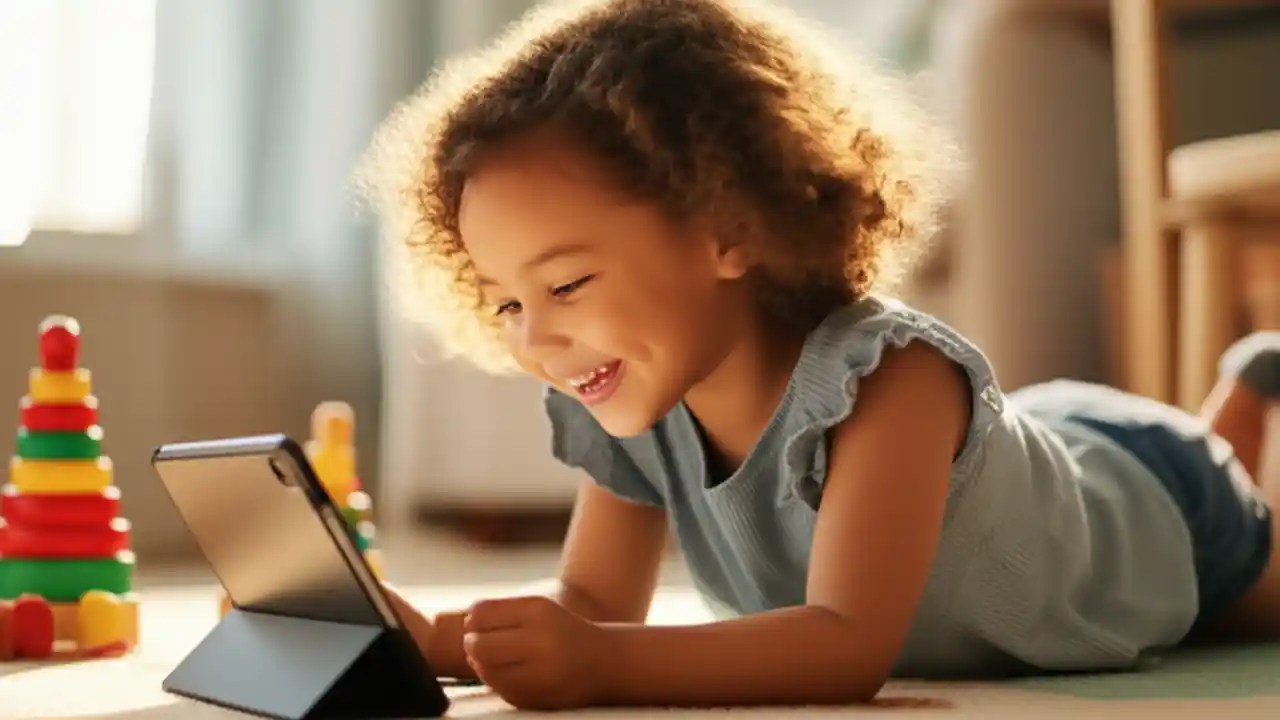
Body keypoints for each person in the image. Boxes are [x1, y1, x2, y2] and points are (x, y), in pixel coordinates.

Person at [356, 0, 1280, 710]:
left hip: (1153, 503)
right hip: (1045, 453)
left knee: (1249, 587)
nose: (531, 338)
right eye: (507, 302)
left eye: (564, 288)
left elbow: (846, 644)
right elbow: (593, 599)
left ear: (727, 227)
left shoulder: (890, 380)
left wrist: (603, 667)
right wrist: (437, 638)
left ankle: (1249, 387)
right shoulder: (636, 401)